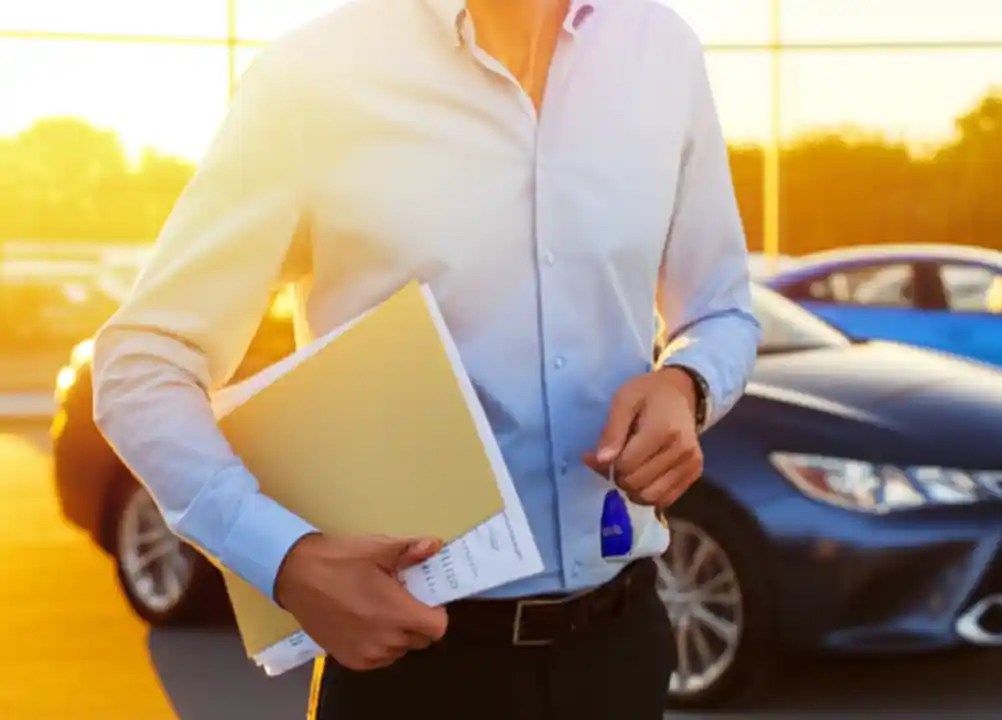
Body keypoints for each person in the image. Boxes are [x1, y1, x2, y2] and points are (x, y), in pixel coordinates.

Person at [92, 0, 759, 717]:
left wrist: (687, 384)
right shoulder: (313, 78)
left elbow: (720, 312)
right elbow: (141, 363)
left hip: (621, 653)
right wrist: (285, 559)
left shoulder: (664, 53)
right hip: (409, 673)